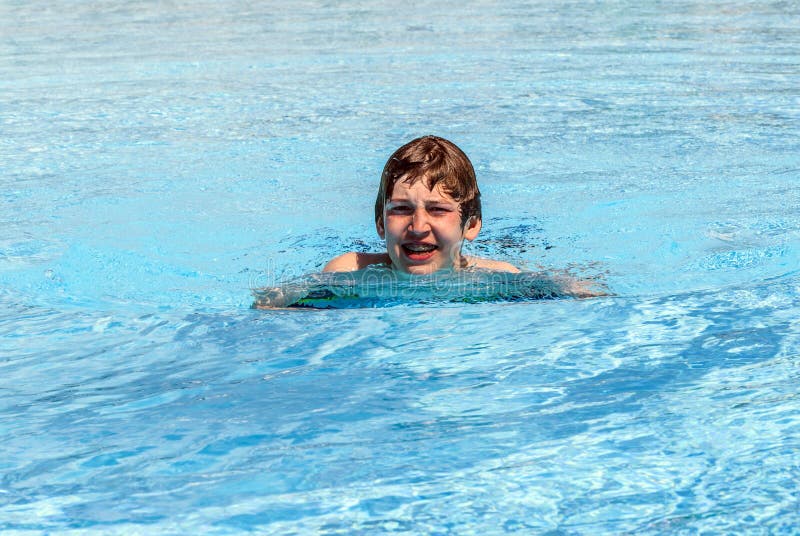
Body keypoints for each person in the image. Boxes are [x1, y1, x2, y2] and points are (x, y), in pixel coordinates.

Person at [324, 135, 520, 275]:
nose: (418, 228)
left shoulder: (501, 278)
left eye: (437, 210)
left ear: (471, 225)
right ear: (381, 224)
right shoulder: (349, 272)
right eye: (401, 209)